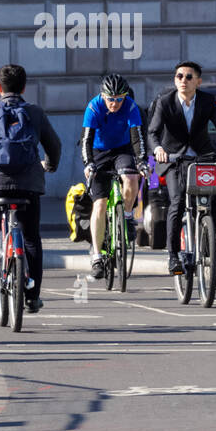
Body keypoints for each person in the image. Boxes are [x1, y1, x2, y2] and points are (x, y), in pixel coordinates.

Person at [0, 63, 62, 314]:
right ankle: (33, 296)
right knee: (31, 239)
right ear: (24, 87)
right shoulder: (35, 112)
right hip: (29, 183)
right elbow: (55, 144)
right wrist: (50, 164)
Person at [146, 61, 216, 275]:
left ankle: (206, 239)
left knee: (212, 196)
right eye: (179, 76)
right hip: (173, 160)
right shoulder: (165, 102)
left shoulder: (207, 101)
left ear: (198, 81)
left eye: (189, 77)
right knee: (177, 201)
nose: (183, 80)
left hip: (201, 157)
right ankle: (172, 256)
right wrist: (159, 149)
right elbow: (152, 132)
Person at [81, 74, 149, 278]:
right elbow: (86, 139)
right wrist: (89, 164)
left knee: (131, 178)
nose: (115, 103)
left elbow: (137, 137)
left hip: (122, 149)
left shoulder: (130, 106)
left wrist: (142, 161)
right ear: (103, 96)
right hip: (98, 151)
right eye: (111, 99)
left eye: (119, 98)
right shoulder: (94, 107)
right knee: (100, 204)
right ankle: (97, 255)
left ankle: (127, 215)